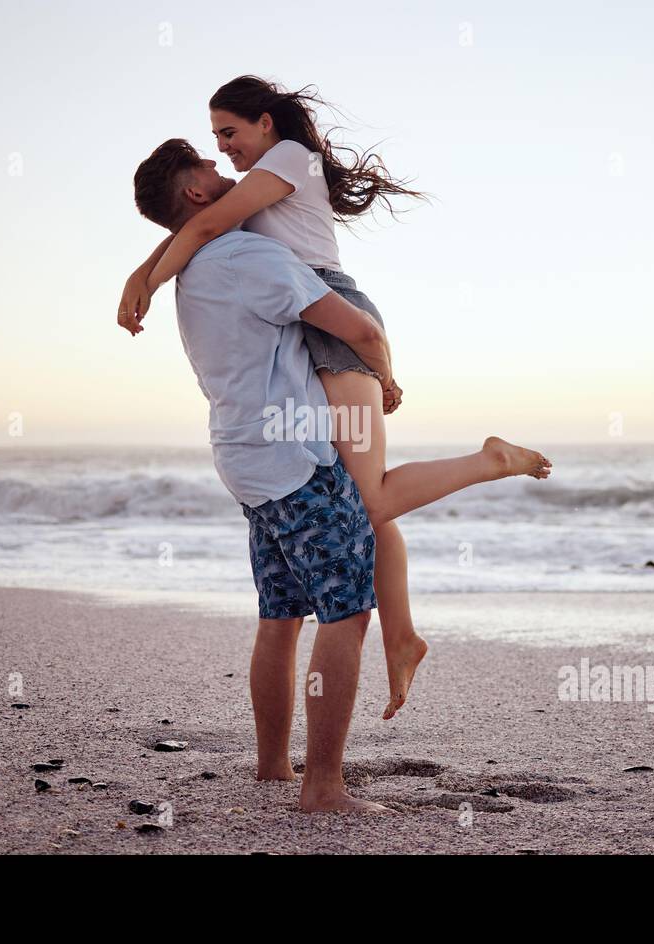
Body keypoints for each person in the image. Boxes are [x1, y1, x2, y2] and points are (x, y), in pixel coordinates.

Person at [129, 138, 552, 812]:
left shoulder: (192, 277)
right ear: (196, 195)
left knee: (279, 616)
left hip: (243, 461)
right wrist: (385, 377)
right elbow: (355, 326)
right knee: (349, 614)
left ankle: (273, 767)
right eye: (211, 169)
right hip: (296, 461)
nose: (228, 171)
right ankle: (323, 786)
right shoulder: (250, 257)